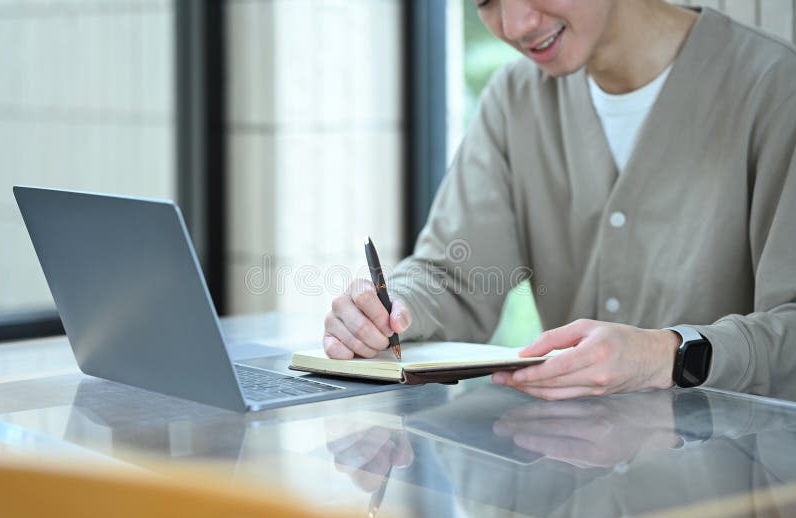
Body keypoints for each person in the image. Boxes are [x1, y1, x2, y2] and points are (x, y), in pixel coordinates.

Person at [323, 0, 796, 400]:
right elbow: (452, 277)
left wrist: (668, 354)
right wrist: (391, 309)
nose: (515, 25)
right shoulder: (514, 99)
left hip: (738, 494)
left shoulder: (774, 89)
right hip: (570, 495)